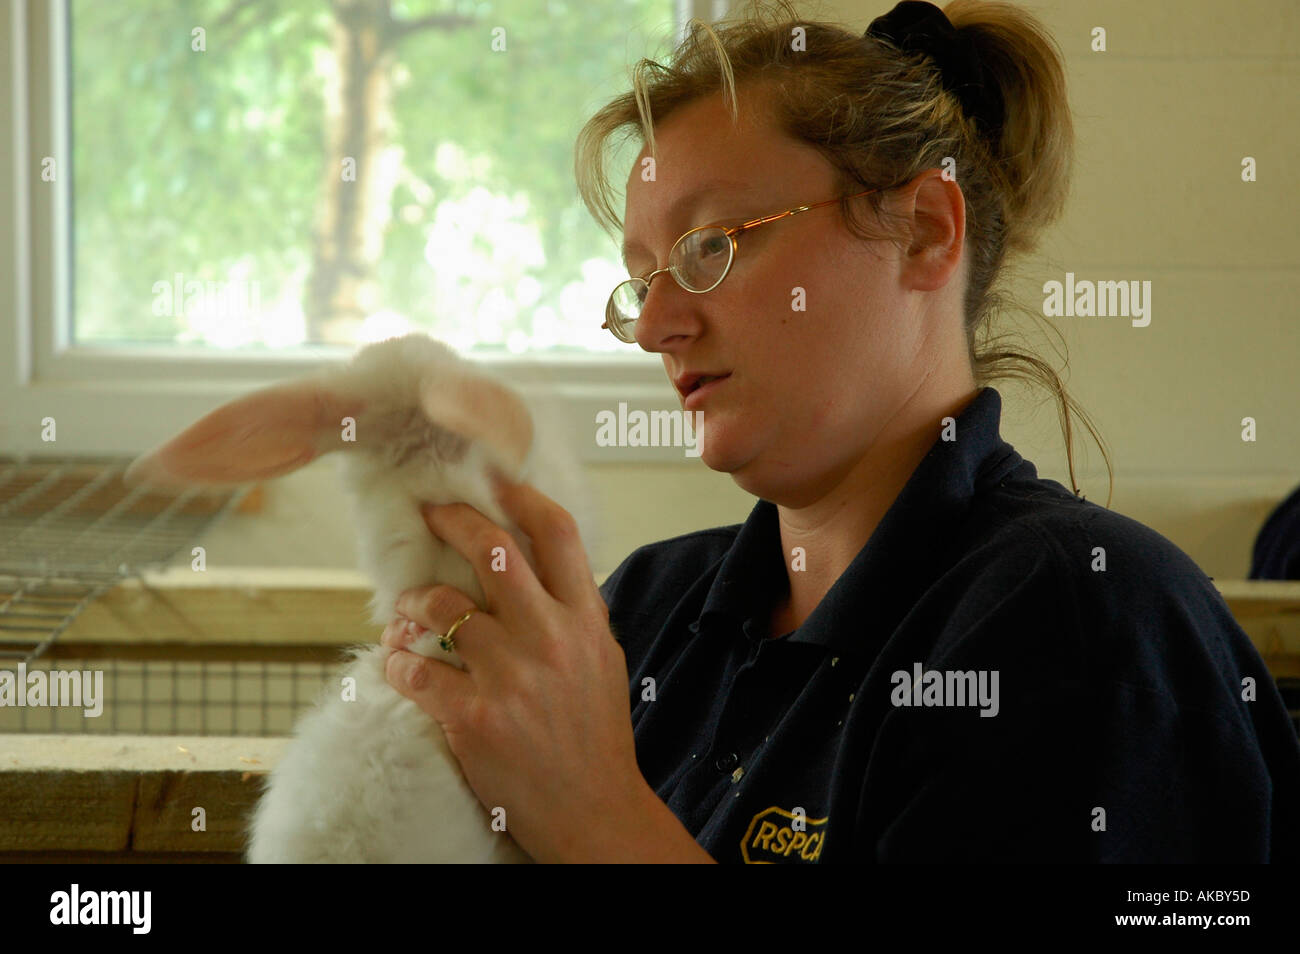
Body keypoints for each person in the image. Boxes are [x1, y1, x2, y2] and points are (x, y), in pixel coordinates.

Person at [379, 0, 1300, 862]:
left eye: (711, 247)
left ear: (926, 230)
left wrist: (592, 814)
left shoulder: (1084, 619)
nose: (657, 326)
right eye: (642, 277)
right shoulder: (650, 609)